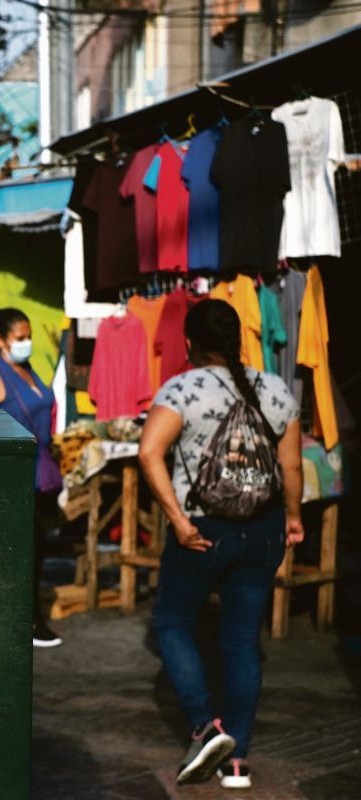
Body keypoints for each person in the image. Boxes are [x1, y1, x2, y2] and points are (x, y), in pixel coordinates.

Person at [138, 299, 303, 789]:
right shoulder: (275, 389)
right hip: (264, 529)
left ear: (189, 342)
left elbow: (149, 452)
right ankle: (237, 762)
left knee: (172, 622)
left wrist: (177, 519)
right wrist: (294, 517)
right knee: (241, 641)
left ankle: (204, 726)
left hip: (203, 530)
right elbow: (292, 466)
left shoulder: (182, 388)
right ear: (239, 339)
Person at [0, 308, 65, 648]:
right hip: (12, 475)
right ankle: (26, 622)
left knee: (35, 548)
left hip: (38, 471)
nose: (27, 343)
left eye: (29, 337)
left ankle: (28, 618)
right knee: (23, 550)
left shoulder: (26, 369)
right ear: (0, 340)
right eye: (20, 338)